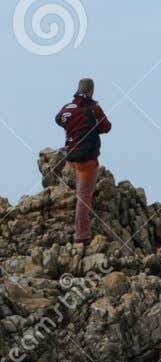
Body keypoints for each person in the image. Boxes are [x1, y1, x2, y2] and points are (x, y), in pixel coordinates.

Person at [54, 78, 111, 246]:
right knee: (84, 196)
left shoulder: (68, 108)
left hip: (71, 157)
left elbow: (58, 119)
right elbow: (106, 127)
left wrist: (73, 128)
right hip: (87, 158)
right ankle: (82, 236)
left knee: (80, 188)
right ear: (92, 91)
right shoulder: (94, 108)